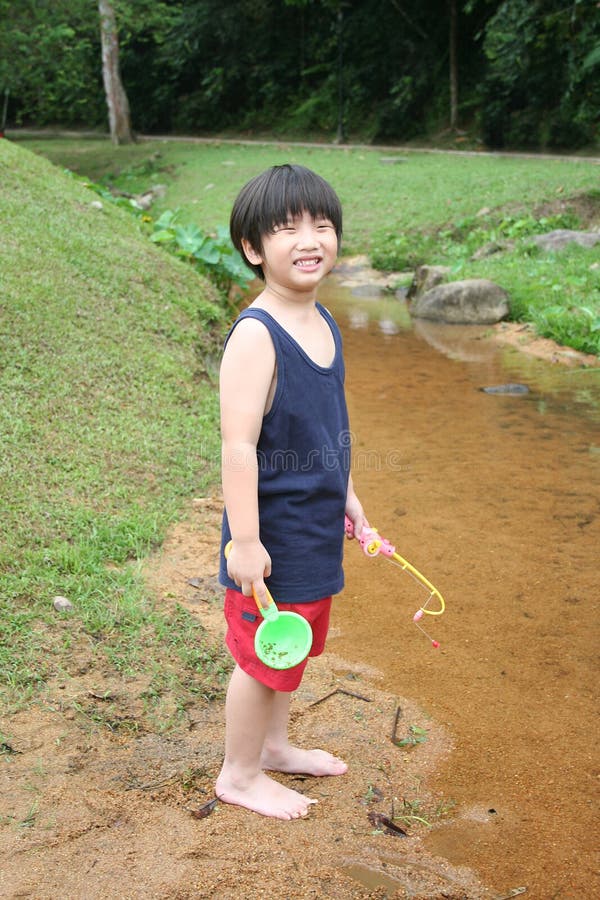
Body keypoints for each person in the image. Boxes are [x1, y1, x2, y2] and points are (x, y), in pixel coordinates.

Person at [216, 164, 365, 820]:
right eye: (287, 228)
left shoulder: (321, 319)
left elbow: (326, 426)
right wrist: (245, 542)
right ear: (253, 248)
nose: (310, 239)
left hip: (313, 526)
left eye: (322, 225)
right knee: (260, 657)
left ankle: (273, 748)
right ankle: (239, 774)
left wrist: (348, 495)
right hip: (270, 539)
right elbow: (238, 447)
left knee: (290, 645)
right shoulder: (257, 335)